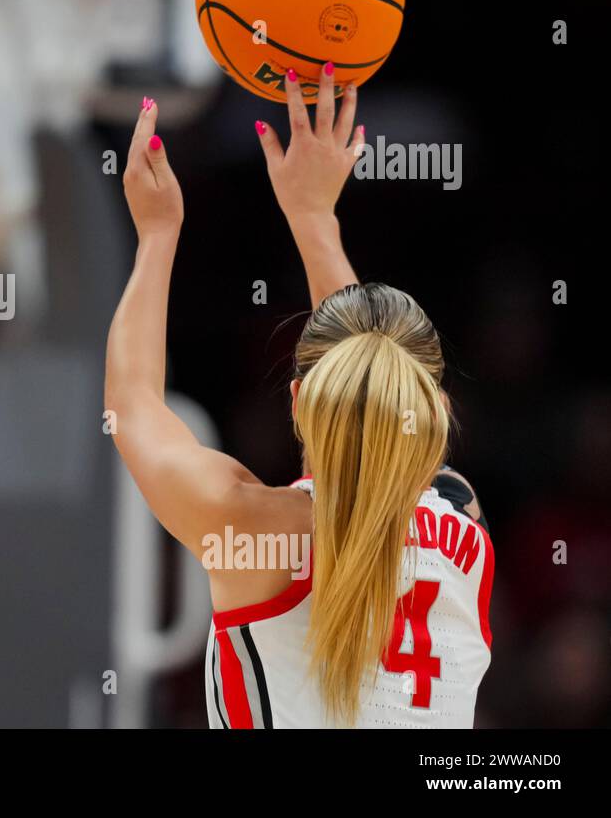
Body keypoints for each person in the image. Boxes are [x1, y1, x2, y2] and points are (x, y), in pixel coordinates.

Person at [104, 64, 493, 727]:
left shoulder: (251, 529)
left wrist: (157, 235)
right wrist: (315, 218)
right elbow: (371, 413)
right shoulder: (465, 523)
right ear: (435, 409)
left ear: (296, 401)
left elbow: (133, 407)